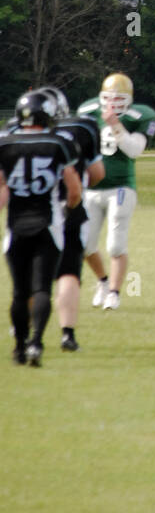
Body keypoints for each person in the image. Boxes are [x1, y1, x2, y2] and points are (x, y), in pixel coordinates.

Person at [0, 90, 82, 366]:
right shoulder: (58, 142)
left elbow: (2, 188)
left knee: (19, 292)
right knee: (42, 289)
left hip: (16, 226)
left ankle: (19, 347)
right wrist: (69, 208)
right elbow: (73, 189)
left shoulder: (5, 142)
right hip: (48, 224)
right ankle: (36, 343)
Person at [77, 74, 155, 312]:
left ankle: (114, 292)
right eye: (109, 98)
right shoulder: (88, 110)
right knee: (85, 244)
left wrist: (115, 125)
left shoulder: (140, 115)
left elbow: (134, 151)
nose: (113, 103)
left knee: (115, 245)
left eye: (119, 99)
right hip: (91, 189)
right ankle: (102, 281)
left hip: (121, 187)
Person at [38, 86, 104, 352]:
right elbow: (97, 172)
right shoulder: (82, 128)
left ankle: (26, 331)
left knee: (34, 276)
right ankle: (67, 333)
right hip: (69, 207)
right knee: (68, 272)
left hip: (30, 211)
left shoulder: (14, 133)